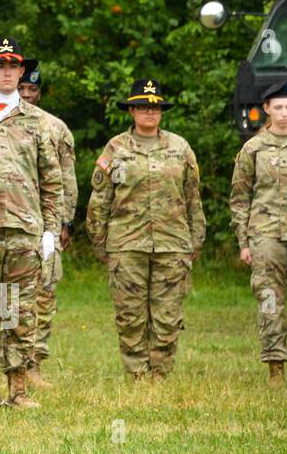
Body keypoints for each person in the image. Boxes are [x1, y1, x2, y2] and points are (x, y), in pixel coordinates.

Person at [86, 78, 205, 380]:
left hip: (172, 244)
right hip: (126, 245)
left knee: (167, 315)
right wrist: (100, 243)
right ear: (131, 111)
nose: (149, 112)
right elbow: (100, 199)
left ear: (161, 111)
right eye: (142, 107)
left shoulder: (180, 148)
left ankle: (160, 373)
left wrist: (195, 241)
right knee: (130, 315)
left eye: (154, 107)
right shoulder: (116, 147)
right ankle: (137, 373)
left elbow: (193, 198)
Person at [0, 37, 62, 408]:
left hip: (25, 227)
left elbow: (51, 179)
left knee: (23, 312)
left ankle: (19, 390)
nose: (8, 72)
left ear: (22, 71)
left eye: (14, 67)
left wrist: (50, 230)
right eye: (0, 66)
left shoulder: (39, 122)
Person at [230, 80, 287, 385]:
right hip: (265, 236)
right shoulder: (253, 149)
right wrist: (244, 241)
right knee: (270, 299)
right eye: (277, 107)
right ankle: (275, 367)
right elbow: (240, 197)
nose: (283, 113)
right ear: (266, 109)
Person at [16, 66, 77, 388]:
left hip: (45, 223)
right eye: (22, 88)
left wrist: (66, 221)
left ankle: (33, 363)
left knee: (44, 294)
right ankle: (7, 365)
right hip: (10, 222)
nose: (27, 94)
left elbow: (66, 178)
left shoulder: (54, 128)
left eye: (32, 89)